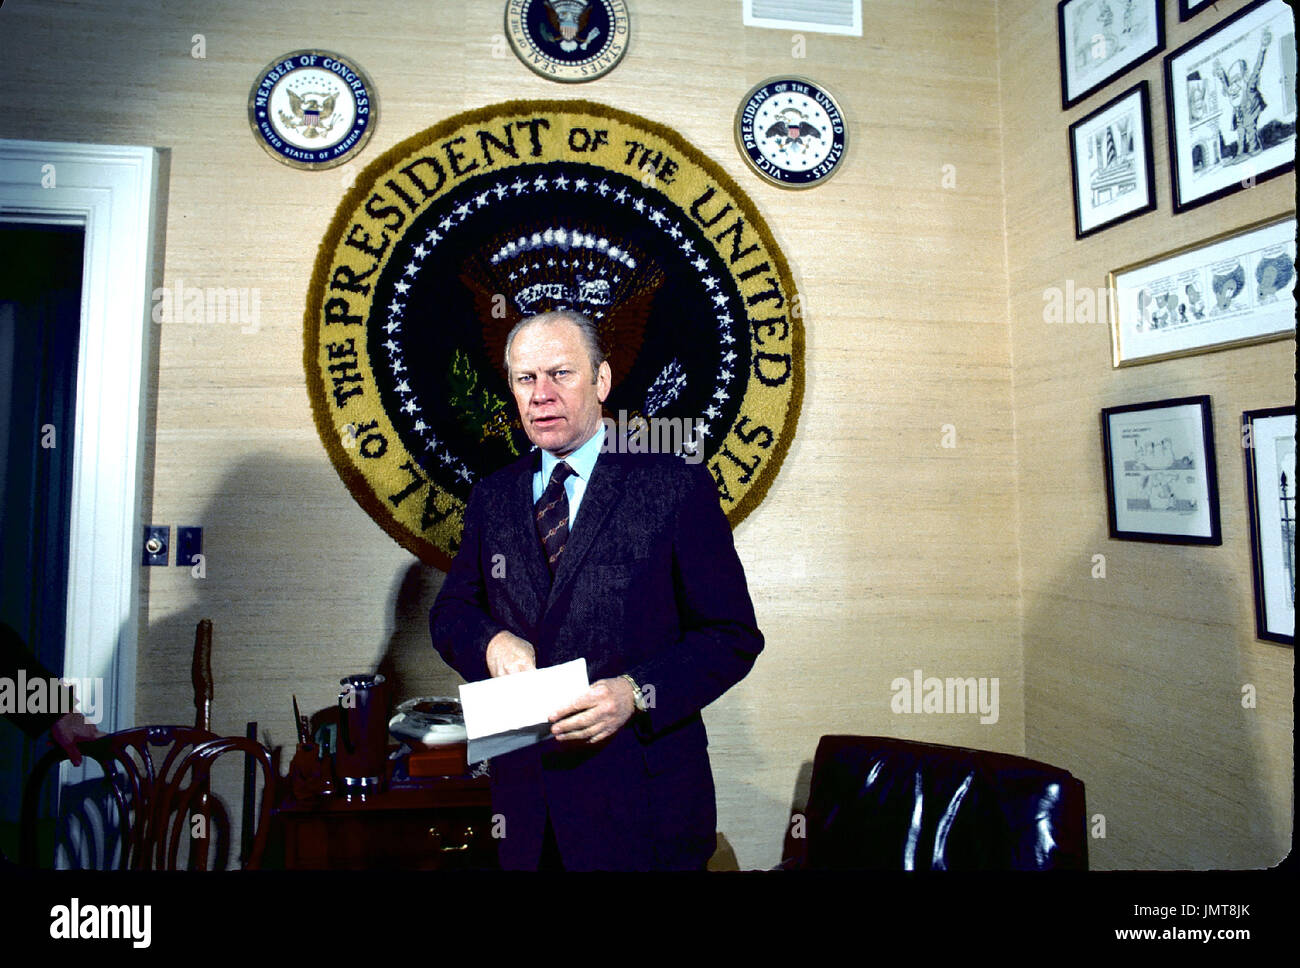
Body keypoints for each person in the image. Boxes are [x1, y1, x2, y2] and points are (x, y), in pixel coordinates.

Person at [430, 309, 763, 871]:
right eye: (526, 379)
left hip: (645, 811)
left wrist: (635, 692)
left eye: (560, 373)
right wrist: (490, 642)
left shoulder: (674, 484)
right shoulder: (493, 497)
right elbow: (452, 611)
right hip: (529, 812)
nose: (541, 394)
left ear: (602, 381)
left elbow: (731, 636)